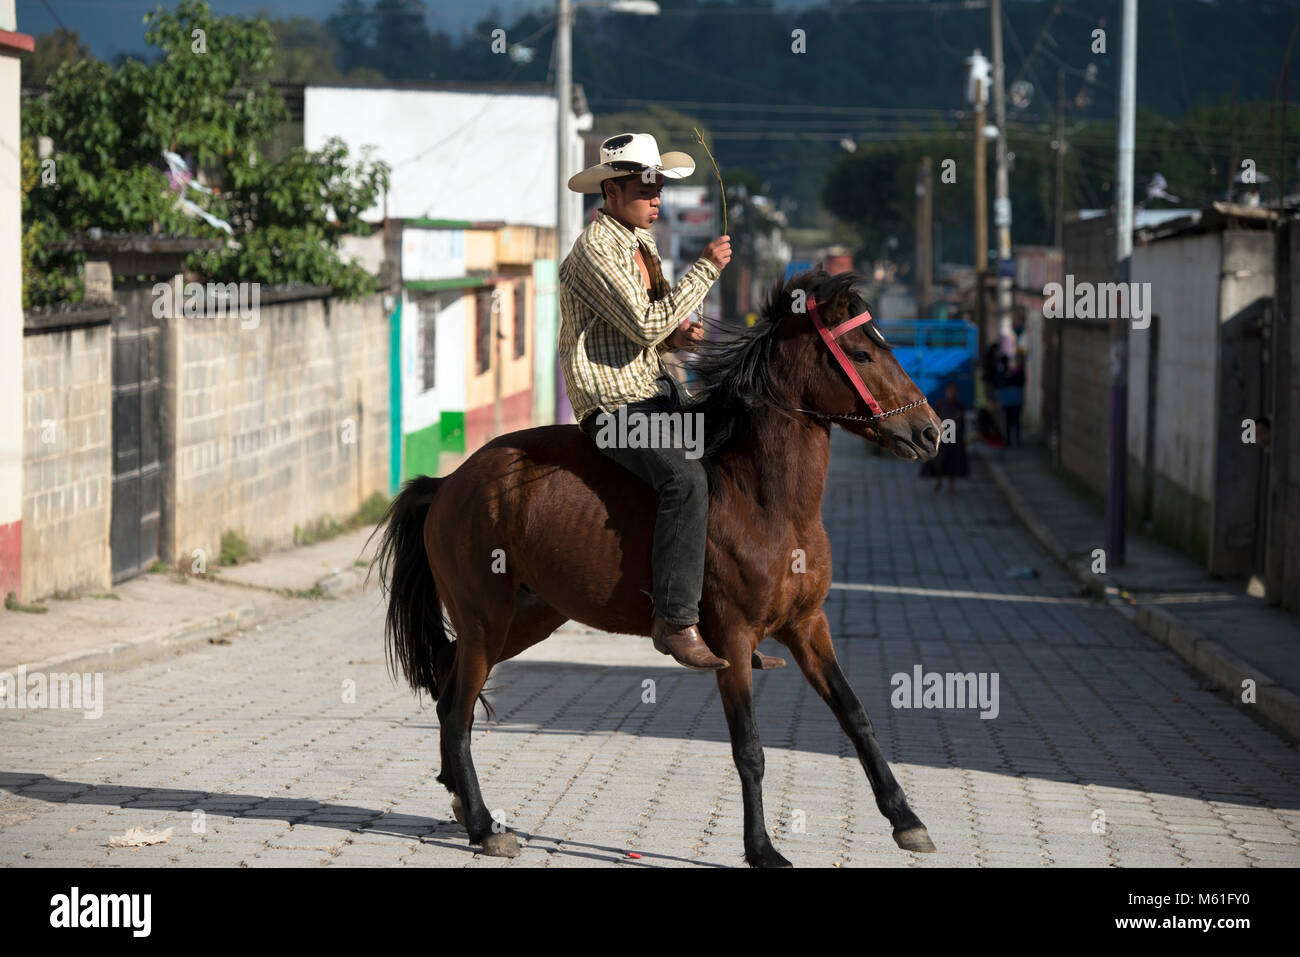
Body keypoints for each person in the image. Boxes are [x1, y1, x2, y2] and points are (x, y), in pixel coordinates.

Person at [559, 132, 759, 672]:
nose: (657, 198)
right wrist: (706, 269)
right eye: (647, 187)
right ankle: (674, 620)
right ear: (613, 189)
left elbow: (656, 327)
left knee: (729, 447)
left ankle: (727, 607)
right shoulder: (596, 250)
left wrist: (680, 338)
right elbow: (647, 322)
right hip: (612, 406)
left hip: (653, 391)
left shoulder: (640, 245)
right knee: (685, 478)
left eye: (660, 186)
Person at [920, 382, 970, 492]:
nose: (951, 394)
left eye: (954, 392)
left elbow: (963, 424)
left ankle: (951, 485)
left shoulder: (959, 406)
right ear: (946, 392)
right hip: (942, 438)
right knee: (939, 461)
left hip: (954, 439)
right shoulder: (940, 404)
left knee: (953, 462)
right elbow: (934, 420)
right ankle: (938, 482)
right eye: (949, 391)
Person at [995, 353, 1025, 448]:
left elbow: (999, 383)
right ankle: (1015, 440)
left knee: (1009, 421)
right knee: (1014, 421)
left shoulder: (1004, 373)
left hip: (1008, 400)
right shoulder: (1014, 373)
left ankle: (1011, 440)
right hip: (1015, 399)